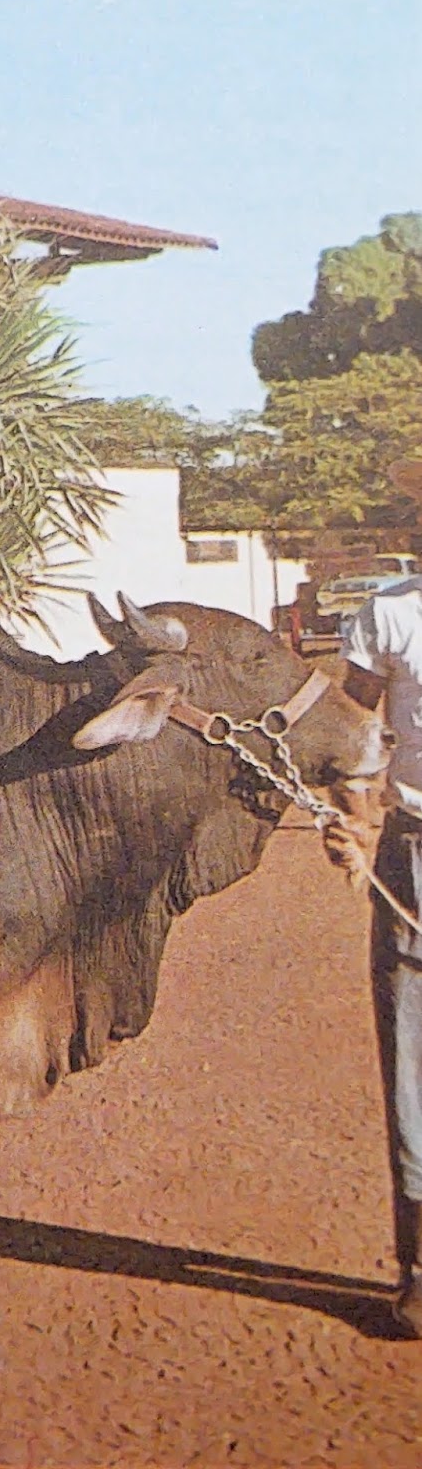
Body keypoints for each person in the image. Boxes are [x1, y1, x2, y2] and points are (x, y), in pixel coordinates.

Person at [324, 468, 422, 1337]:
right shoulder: (389, 613)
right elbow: (351, 729)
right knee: (413, 1064)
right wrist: (353, 828)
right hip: (417, 855)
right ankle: (420, 1267)